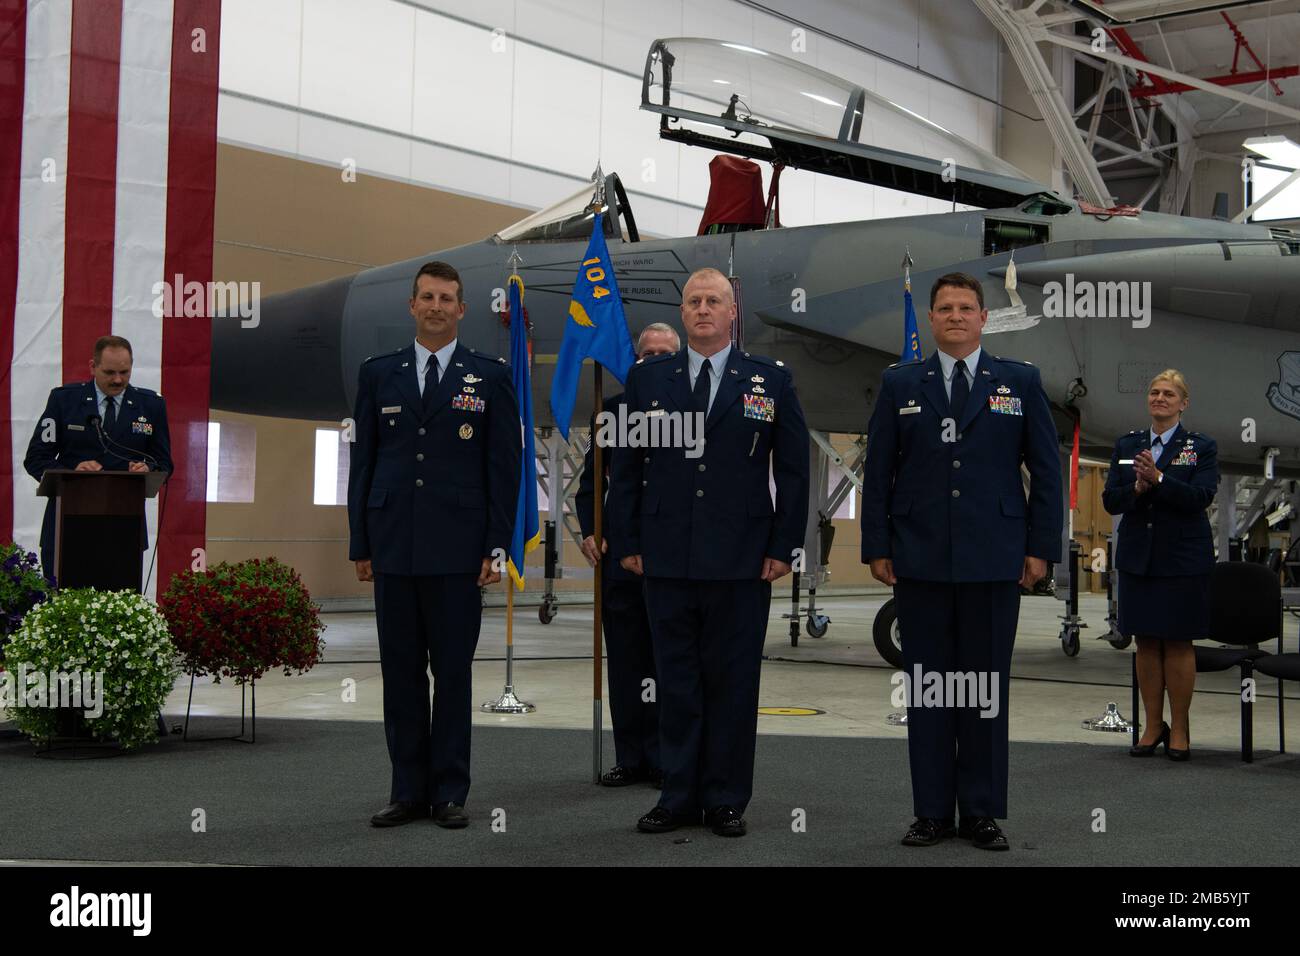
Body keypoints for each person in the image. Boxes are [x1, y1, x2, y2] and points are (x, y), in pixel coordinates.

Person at [860, 272, 1062, 851]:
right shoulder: (901, 384)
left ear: (982, 318)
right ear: (931, 318)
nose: (955, 316)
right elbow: (879, 473)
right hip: (919, 559)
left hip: (994, 560)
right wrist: (877, 544)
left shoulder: (1019, 382)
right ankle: (930, 812)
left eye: (966, 307)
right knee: (928, 692)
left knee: (982, 690)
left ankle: (979, 812)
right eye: (944, 307)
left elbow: (1046, 473)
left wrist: (1040, 548)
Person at [609, 267, 809, 837]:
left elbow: (794, 472)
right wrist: (627, 542)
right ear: (682, 312)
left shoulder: (769, 380)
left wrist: (784, 546)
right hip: (665, 557)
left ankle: (725, 799)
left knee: (732, 682)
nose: (702, 309)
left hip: (744, 559)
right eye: (693, 301)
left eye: (713, 301)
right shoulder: (649, 380)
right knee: (675, 683)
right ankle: (676, 796)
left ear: (731, 312)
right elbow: (626, 470)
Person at [347, 260, 521, 828]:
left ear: (462, 309)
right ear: (412, 306)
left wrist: (497, 546)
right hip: (393, 546)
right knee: (400, 675)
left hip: (459, 551)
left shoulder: (489, 376)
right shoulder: (379, 374)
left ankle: (449, 792)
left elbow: (505, 470)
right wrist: (360, 543)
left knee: (452, 674)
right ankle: (405, 792)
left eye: (448, 298)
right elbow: (364, 464)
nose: (437, 307)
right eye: (428, 297)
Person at [576, 322, 680, 789]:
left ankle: (664, 757)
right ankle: (630, 756)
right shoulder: (611, 413)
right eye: (647, 354)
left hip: (673, 561)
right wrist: (590, 532)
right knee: (625, 662)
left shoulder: (691, 409)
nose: (654, 360)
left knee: (667, 664)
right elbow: (589, 485)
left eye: (664, 353)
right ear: (635, 361)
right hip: (619, 559)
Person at [1102, 370, 1217, 761]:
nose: (1160, 398)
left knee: (1179, 643)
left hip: (1182, 559)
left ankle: (1180, 727)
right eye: (1154, 392)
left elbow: (1200, 497)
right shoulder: (1128, 444)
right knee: (1146, 642)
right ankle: (1153, 725)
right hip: (1139, 558)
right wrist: (1135, 488)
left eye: (1169, 394)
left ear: (1183, 403)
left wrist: (1160, 478)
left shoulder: (1200, 446)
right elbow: (1110, 501)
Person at [23, 335, 173, 581]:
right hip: (66, 526)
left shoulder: (151, 406)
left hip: (124, 527)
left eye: (125, 372)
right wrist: (70, 472)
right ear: (93, 367)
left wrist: (148, 468)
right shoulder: (64, 400)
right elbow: (36, 458)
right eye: (109, 372)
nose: (118, 379)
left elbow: (164, 462)